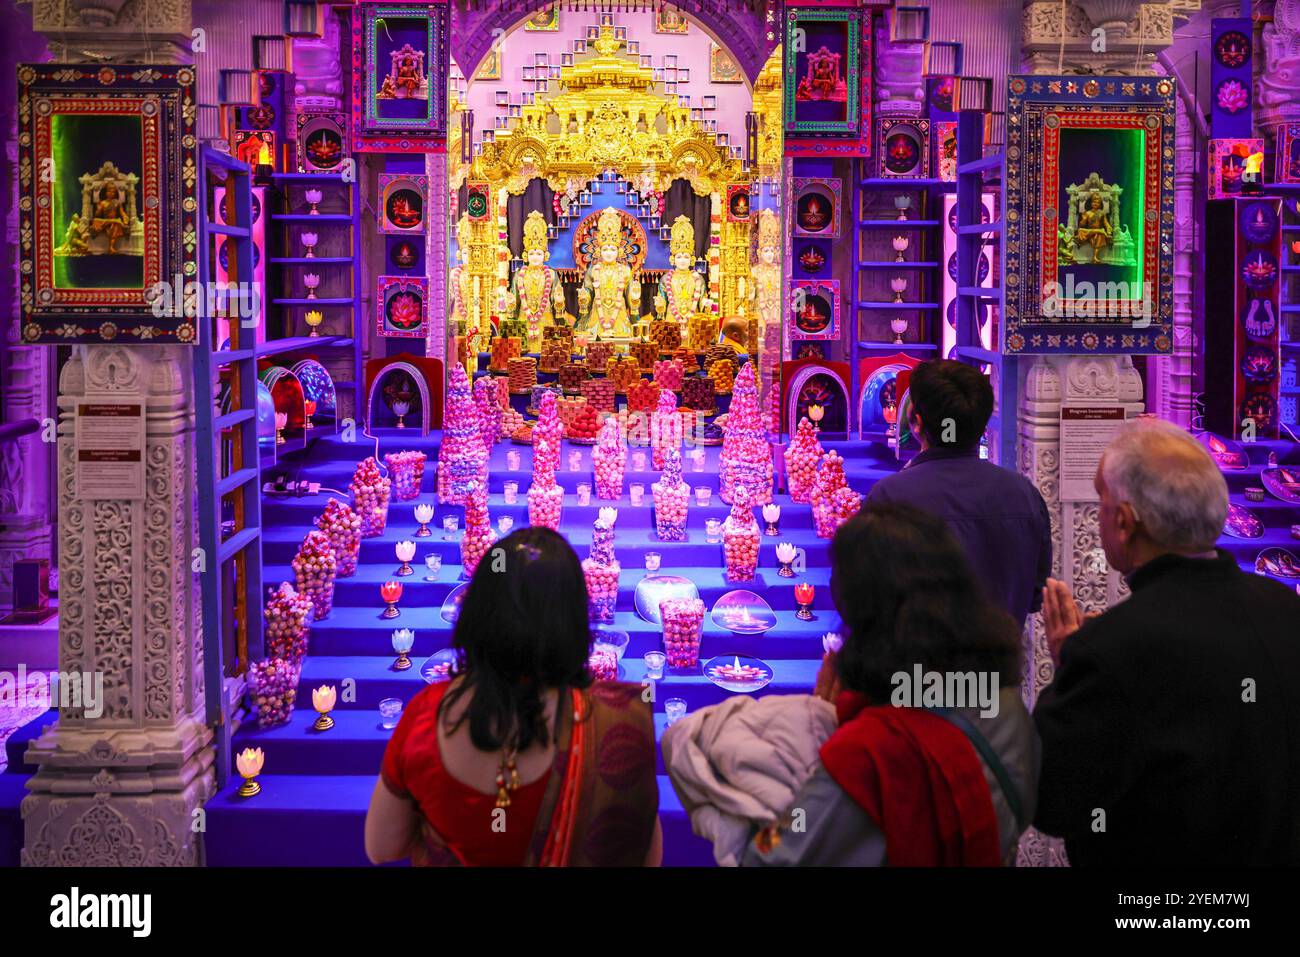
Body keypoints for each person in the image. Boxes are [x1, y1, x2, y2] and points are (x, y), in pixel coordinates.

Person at [1033, 419, 1300, 866]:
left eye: (1100, 503)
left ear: (1122, 523)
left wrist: (1067, 674)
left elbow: (1053, 800)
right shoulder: (1286, 610)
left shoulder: (1113, 647)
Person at [738, 501, 1038, 866]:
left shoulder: (864, 753)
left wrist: (815, 735)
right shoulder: (1007, 706)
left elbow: (766, 857)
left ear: (861, 616)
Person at [365, 527, 662, 866]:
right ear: (576, 621)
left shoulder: (428, 713)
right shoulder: (619, 725)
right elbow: (647, 858)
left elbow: (381, 847)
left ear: (478, 610)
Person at [866, 359, 1052, 630]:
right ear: (983, 422)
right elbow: (1035, 595)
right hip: (995, 667)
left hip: (912, 670)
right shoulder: (1025, 496)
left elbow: (863, 596)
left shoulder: (889, 497)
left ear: (915, 421)